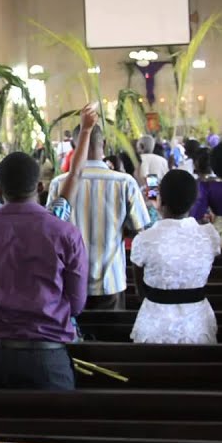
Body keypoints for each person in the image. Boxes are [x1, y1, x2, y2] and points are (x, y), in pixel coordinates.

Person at [0, 152, 86, 390]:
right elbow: (77, 304)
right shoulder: (66, 234)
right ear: (40, 187)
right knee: (53, 427)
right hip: (49, 358)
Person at [46, 122, 148, 310]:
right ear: (105, 144)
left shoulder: (58, 184)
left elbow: (51, 232)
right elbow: (140, 232)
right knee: (110, 337)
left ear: (74, 147)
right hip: (111, 281)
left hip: (70, 284)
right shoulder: (125, 182)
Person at [128, 170, 219, 344]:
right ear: (194, 201)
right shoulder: (208, 235)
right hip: (198, 328)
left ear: (161, 200)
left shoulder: (144, 239)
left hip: (154, 327)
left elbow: (140, 291)